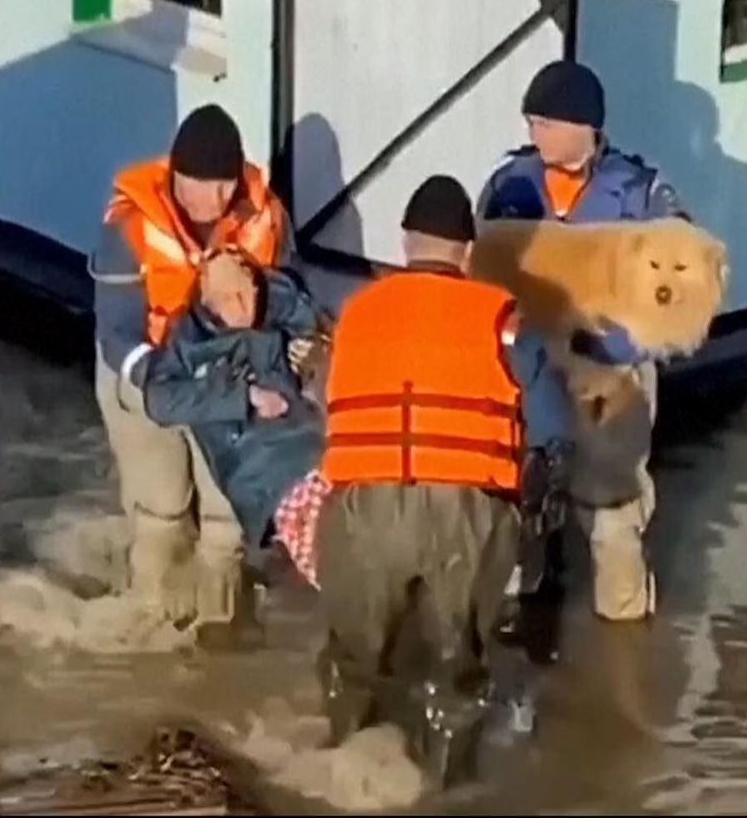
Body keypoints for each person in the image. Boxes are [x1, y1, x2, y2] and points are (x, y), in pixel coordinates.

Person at [313, 175, 525, 788]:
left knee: (353, 660)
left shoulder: (355, 314)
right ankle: (449, 789)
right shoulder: (501, 316)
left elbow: (331, 401)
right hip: (465, 504)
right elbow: (531, 403)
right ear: (466, 250)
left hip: (364, 504)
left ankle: (343, 775)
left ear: (406, 243)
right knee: (457, 666)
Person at [476, 59, 690, 623]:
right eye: (530, 121)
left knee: (612, 509)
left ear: (583, 126)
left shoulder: (643, 195)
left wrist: (619, 343)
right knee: (519, 498)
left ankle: (623, 638)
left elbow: (676, 284)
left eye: (544, 122)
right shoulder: (507, 186)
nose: (533, 133)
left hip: (610, 373)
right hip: (528, 367)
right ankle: (516, 617)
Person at [88, 104, 294, 631]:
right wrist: (160, 386)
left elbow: (290, 299)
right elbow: (118, 337)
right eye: (205, 185)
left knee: (227, 526)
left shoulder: (266, 217)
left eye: (228, 184)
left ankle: (218, 635)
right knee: (161, 516)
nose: (219, 199)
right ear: (177, 176)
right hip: (147, 380)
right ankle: (153, 629)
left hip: (230, 378)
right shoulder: (128, 232)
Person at [138, 251, 328, 577]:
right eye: (229, 301)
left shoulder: (281, 302)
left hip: (317, 450)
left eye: (246, 296)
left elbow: (323, 339)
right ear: (210, 303)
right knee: (317, 546)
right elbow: (159, 401)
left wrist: (314, 353)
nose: (242, 308)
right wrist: (245, 397)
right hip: (260, 471)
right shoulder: (188, 339)